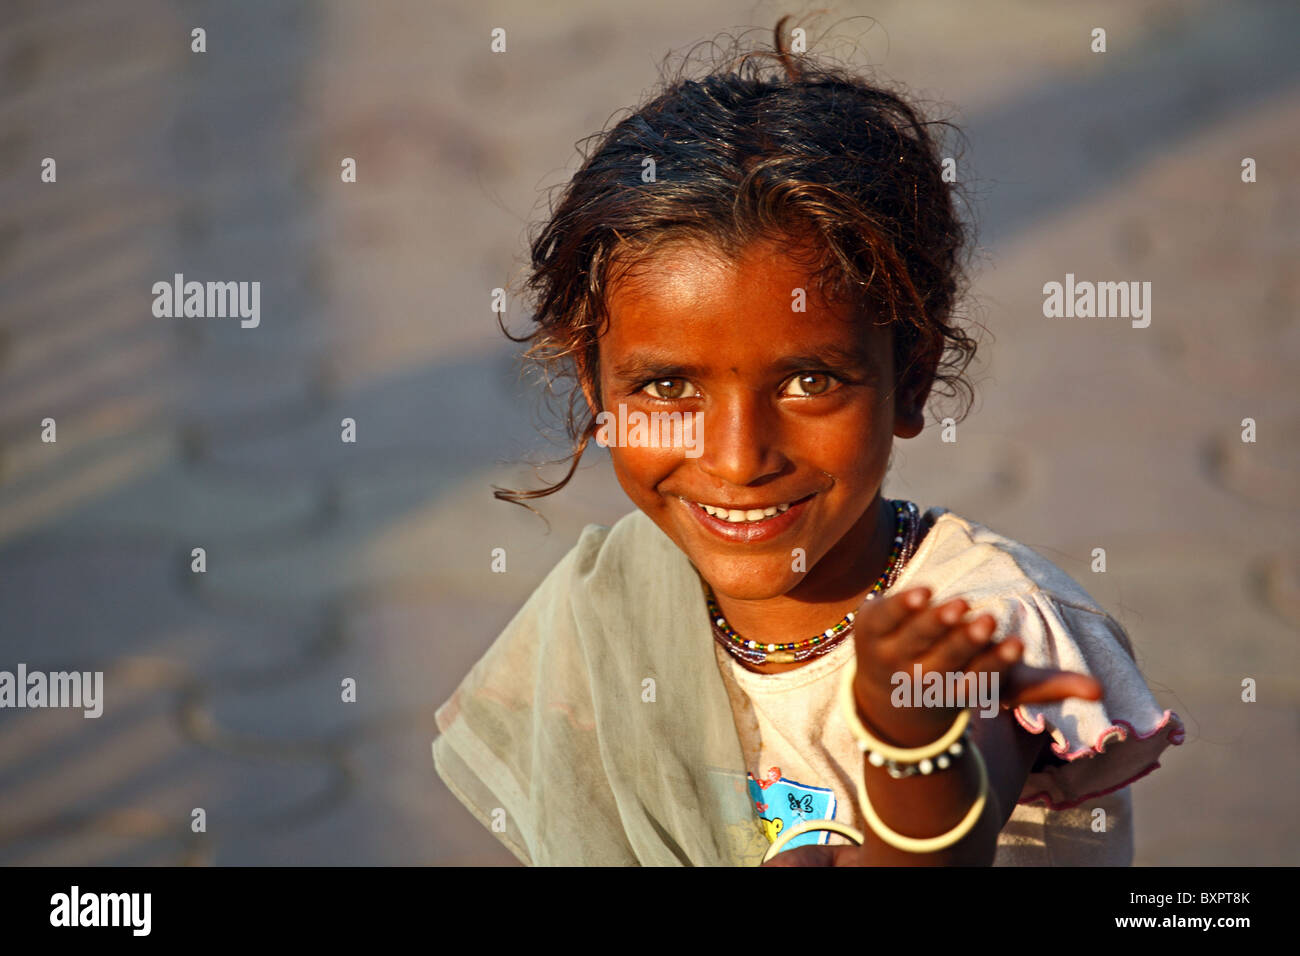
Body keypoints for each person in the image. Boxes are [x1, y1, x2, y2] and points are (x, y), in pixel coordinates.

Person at [431, 17, 1183, 866]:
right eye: (668, 386)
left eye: (809, 382)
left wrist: (910, 739)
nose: (740, 458)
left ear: (909, 379)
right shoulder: (612, 613)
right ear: (596, 392)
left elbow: (941, 845)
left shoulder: (980, 623)